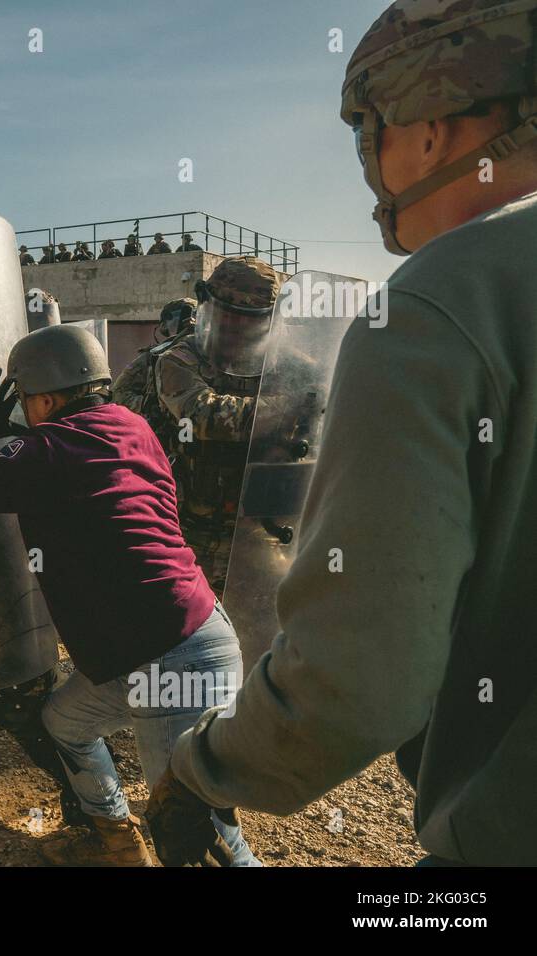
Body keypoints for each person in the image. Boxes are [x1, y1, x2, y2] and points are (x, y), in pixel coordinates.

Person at [148, 0, 537, 868]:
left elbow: (358, 681)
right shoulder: (182, 359)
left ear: (430, 125)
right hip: (203, 518)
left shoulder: (444, 300)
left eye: (375, 131)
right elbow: (203, 419)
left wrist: (205, 768)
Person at [0, 325, 257, 866]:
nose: (26, 411)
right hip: (178, 635)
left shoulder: (50, 449)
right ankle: (116, 838)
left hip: (169, 656)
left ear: (49, 399)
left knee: (196, 831)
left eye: (28, 400)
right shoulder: (132, 425)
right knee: (66, 725)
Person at [154, 258, 279, 595]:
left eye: (247, 320)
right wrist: (285, 409)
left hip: (261, 530)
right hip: (193, 530)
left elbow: (321, 409)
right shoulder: (180, 358)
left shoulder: (284, 364)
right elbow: (202, 416)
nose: (234, 327)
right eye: (227, 314)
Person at [111, 297, 198, 448]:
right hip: (169, 437)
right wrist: (150, 406)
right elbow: (119, 393)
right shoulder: (153, 356)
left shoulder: (208, 351)